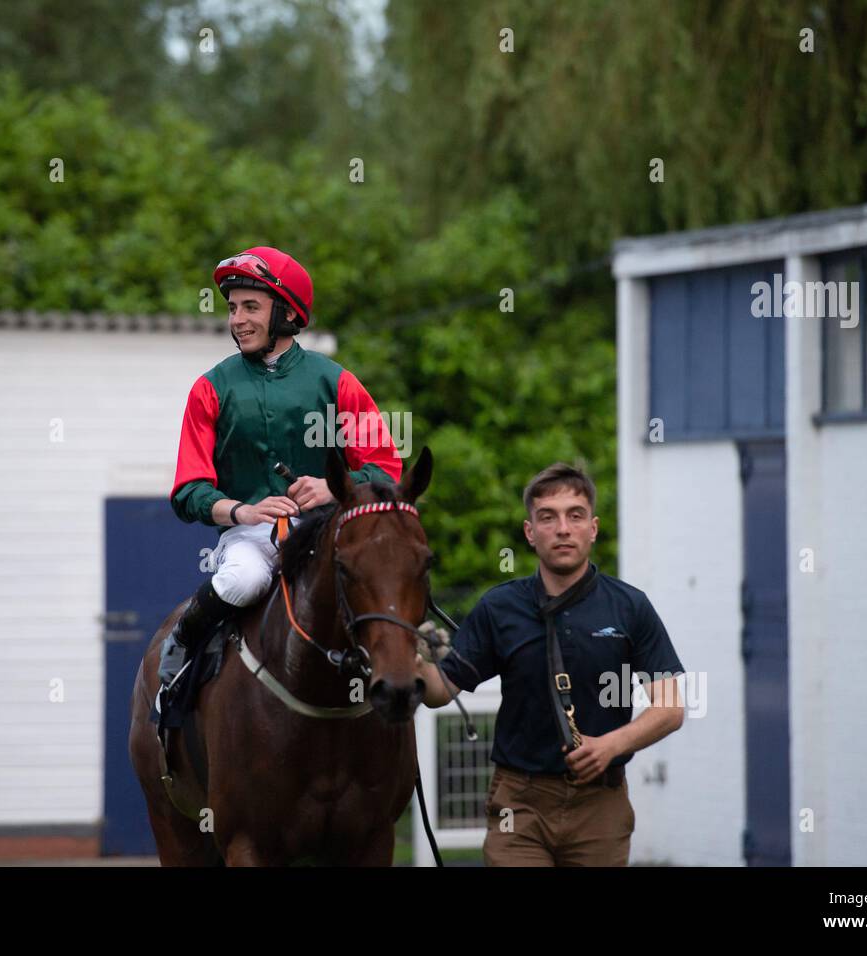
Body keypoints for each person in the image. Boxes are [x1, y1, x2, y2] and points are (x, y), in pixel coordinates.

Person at [418, 463, 686, 866]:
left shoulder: (631, 607)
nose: (563, 528)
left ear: (592, 528)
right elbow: (440, 692)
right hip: (519, 806)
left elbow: (671, 708)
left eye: (575, 515)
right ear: (530, 532)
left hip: (602, 803)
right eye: (548, 517)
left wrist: (611, 745)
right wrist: (412, 657)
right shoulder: (499, 607)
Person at [161, 246, 403, 689]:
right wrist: (243, 511)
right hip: (251, 538)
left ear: (287, 313)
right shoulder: (210, 389)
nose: (237, 320)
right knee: (242, 580)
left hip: (326, 533)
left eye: (251, 307)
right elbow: (188, 491)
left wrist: (334, 489)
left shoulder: (337, 381)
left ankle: (411, 673)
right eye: (233, 308)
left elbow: (386, 469)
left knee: (385, 573)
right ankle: (180, 652)